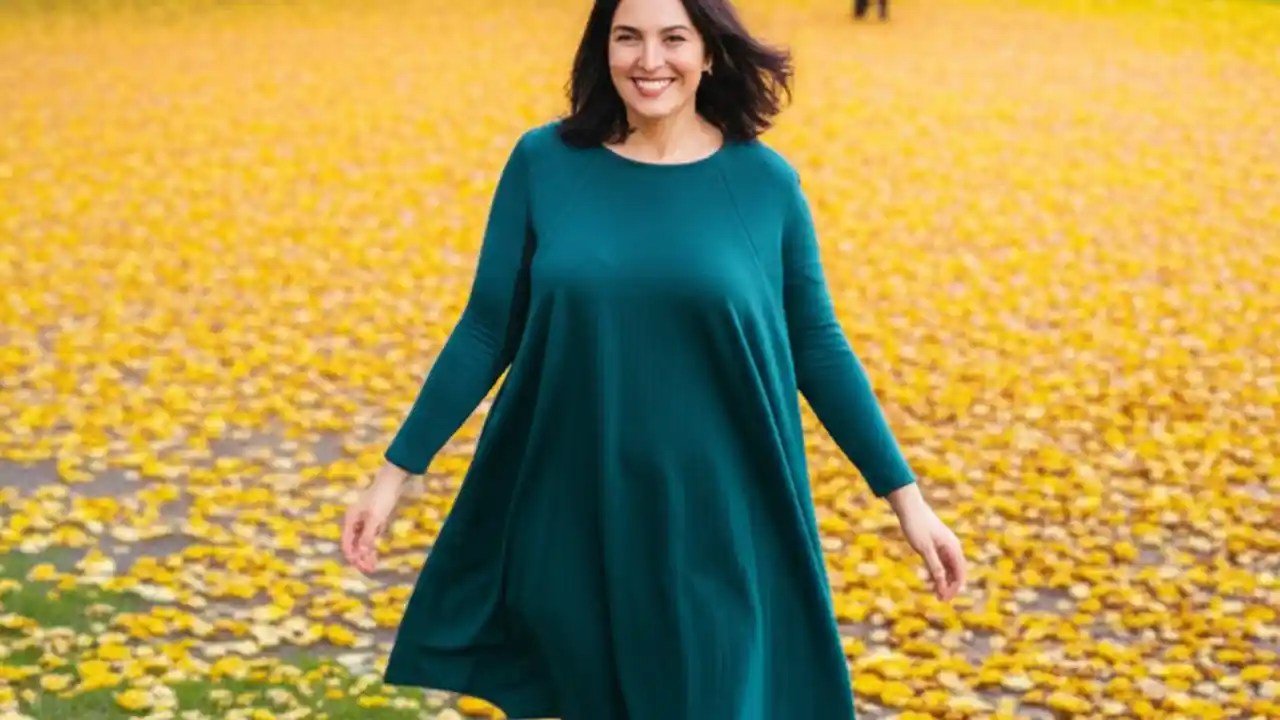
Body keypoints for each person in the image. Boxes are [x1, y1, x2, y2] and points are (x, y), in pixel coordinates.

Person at [341, 0, 966, 717]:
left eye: (674, 39)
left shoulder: (765, 184)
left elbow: (818, 347)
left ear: (708, 53)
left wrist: (907, 503)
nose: (649, 60)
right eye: (627, 37)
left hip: (721, 520)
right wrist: (392, 478)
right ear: (601, 49)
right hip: (574, 507)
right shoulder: (543, 163)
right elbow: (487, 330)